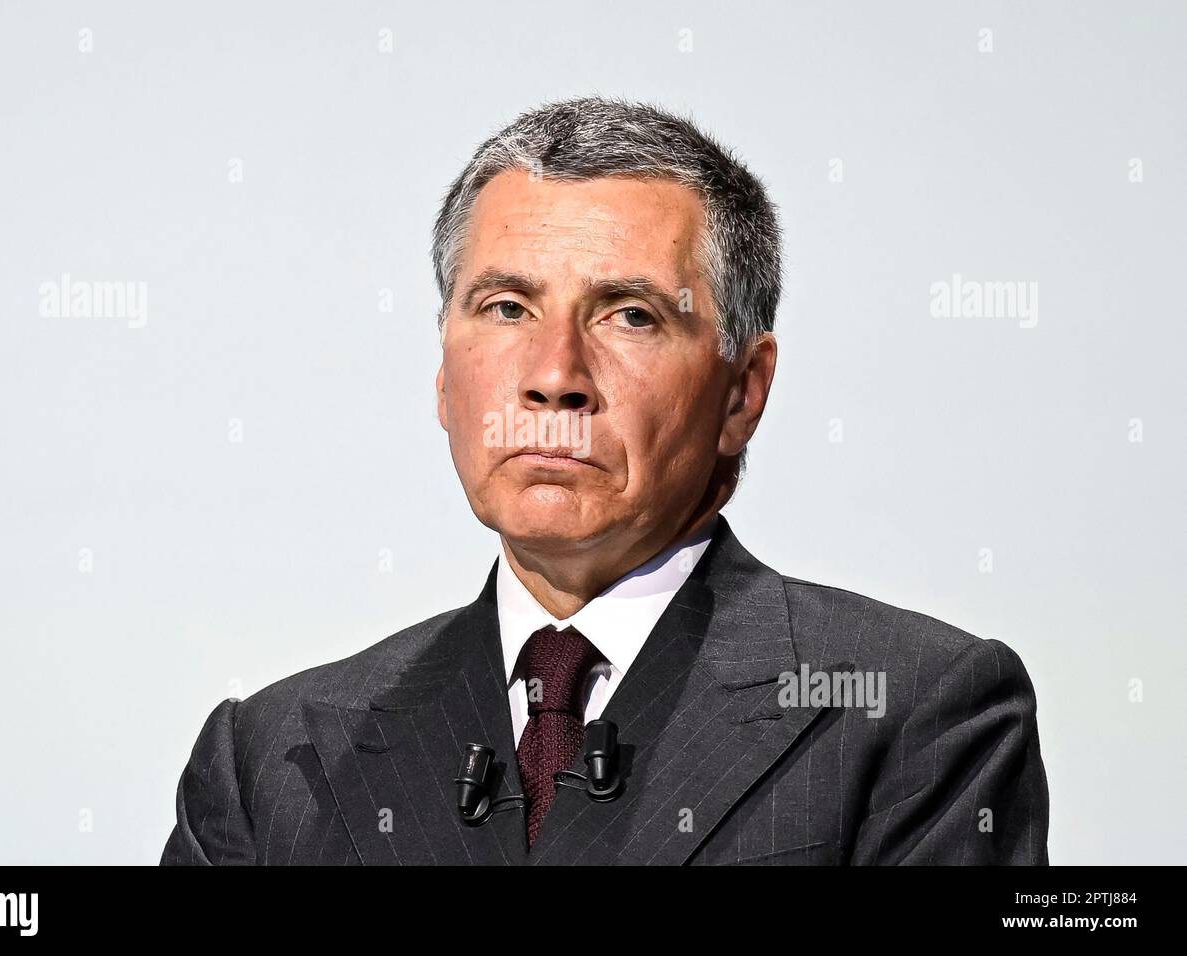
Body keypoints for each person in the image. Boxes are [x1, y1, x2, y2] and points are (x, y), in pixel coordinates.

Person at [160, 96, 1048, 866]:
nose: (556, 374)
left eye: (630, 315)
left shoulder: (918, 713)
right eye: (507, 307)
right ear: (443, 375)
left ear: (743, 391)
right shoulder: (269, 758)